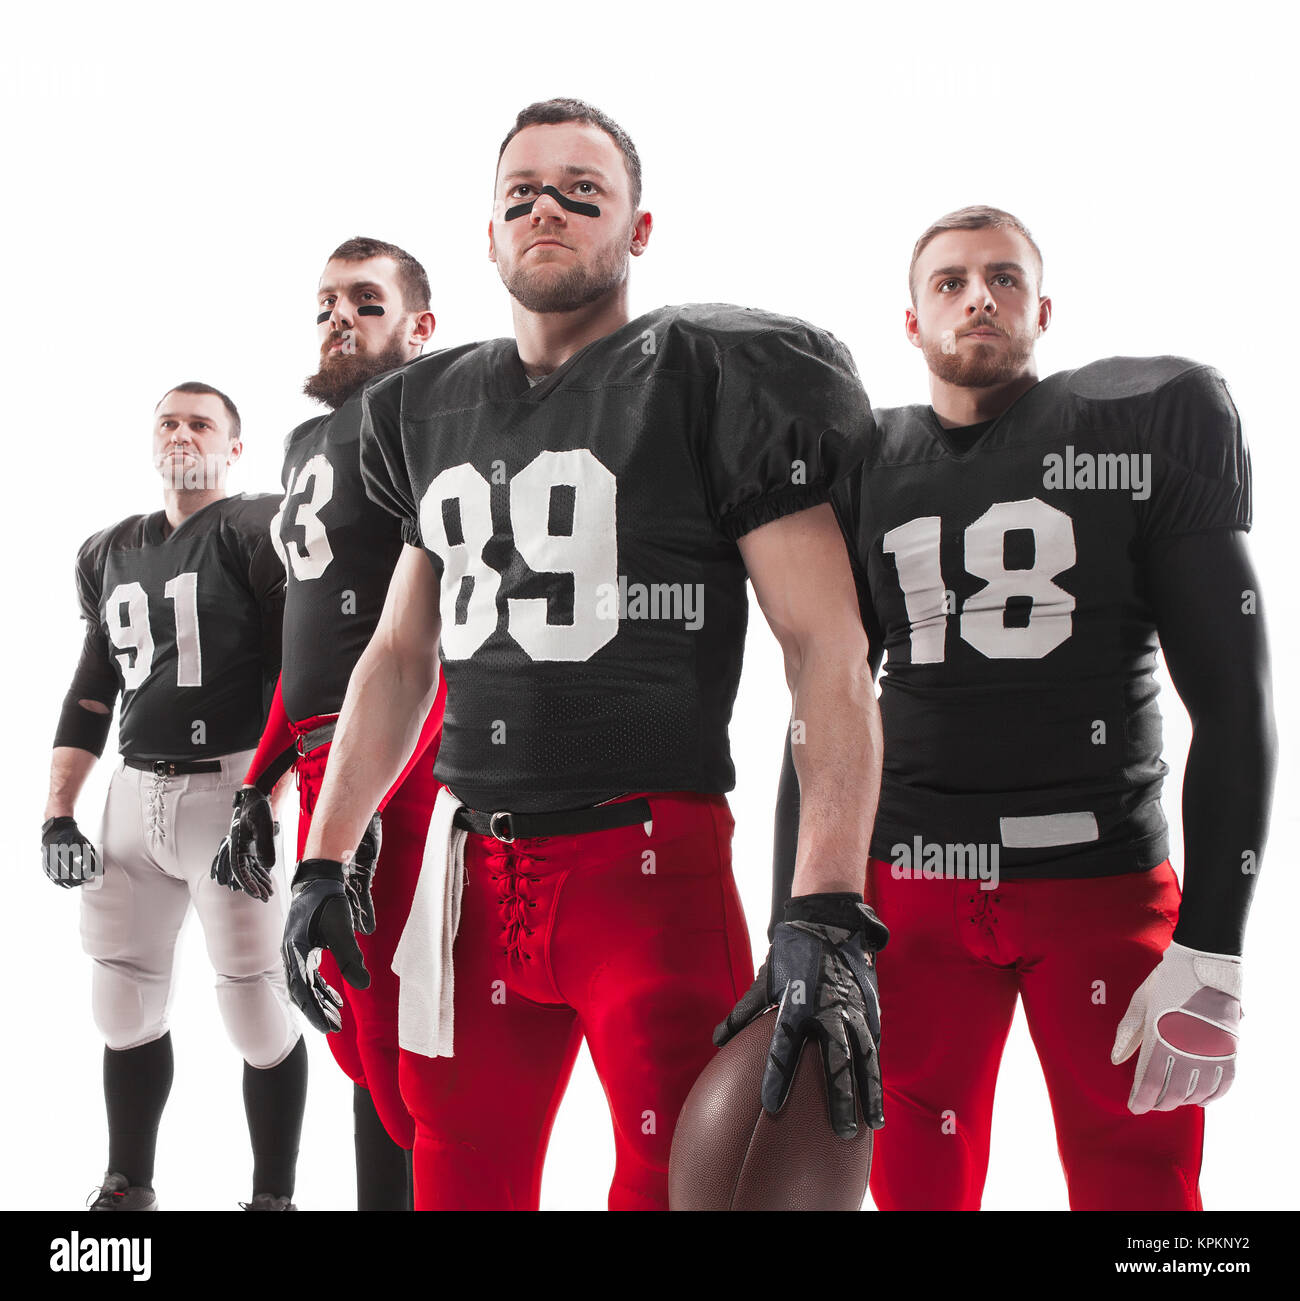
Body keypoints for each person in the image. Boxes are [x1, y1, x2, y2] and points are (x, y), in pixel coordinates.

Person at [284, 98, 887, 1211]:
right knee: (457, 1172)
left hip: (647, 871)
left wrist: (825, 902)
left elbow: (825, 648)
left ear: (638, 228)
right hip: (476, 872)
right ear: (489, 234)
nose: (546, 208)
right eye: (521, 193)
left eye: (581, 189)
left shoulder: (710, 373)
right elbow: (400, 653)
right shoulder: (425, 405)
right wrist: (324, 855)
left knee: (671, 1182)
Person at [773, 205, 1277, 1210]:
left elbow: (1232, 702)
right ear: (910, 322)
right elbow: (822, 700)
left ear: (1042, 310)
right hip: (907, 884)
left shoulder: (1139, 426)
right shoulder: (863, 462)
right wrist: (799, 920)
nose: (979, 298)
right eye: (951, 281)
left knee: (1142, 1187)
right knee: (913, 1178)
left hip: (1099, 880)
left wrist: (1213, 944)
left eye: (1004, 278)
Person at [211, 238, 444, 1211]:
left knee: (406, 1038)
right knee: (348, 1022)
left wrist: (375, 792)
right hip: (323, 765)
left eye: (364, 300)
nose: (338, 317)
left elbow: (435, 629)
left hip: (398, 757)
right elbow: (303, 638)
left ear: (420, 326)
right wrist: (257, 781)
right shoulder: (306, 440)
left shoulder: (431, 410)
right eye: (324, 304)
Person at [43, 383, 305, 1211]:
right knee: (120, 1003)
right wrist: (57, 812)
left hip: (233, 789)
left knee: (256, 1006)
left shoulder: (255, 528)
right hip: (132, 795)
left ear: (234, 447)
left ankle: (273, 1197)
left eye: (201, 422)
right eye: (169, 421)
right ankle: (129, 1184)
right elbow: (91, 693)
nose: (182, 433)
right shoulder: (108, 550)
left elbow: (296, 679)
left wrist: (269, 796)